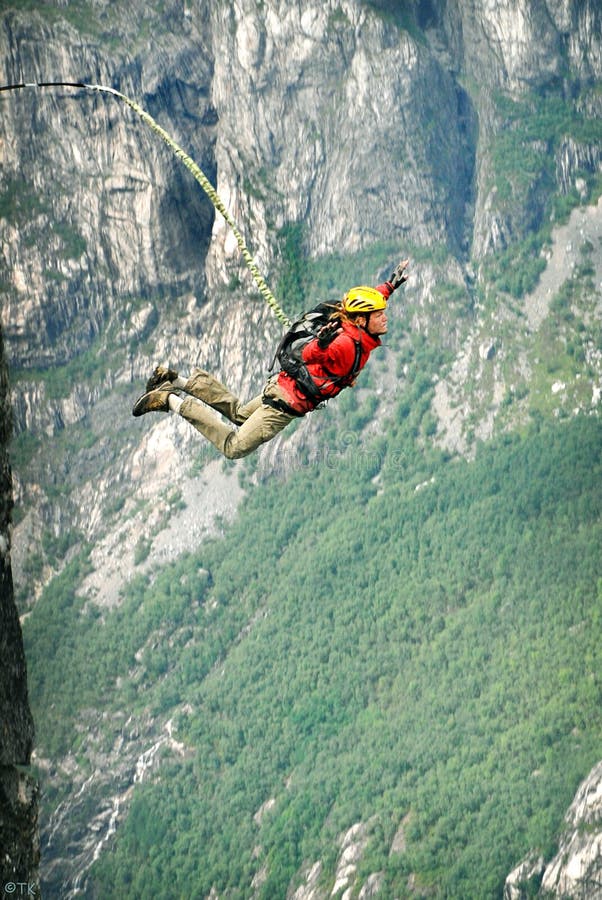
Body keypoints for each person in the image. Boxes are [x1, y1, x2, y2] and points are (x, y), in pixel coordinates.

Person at [132, 258, 409, 459]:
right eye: (379, 315)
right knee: (234, 447)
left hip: (281, 385)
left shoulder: (354, 326)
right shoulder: (347, 345)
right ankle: (168, 398)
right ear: (362, 320)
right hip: (284, 404)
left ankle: (175, 379)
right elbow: (309, 354)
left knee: (239, 413)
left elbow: (366, 303)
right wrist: (322, 347)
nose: (385, 317)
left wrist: (389, 287)